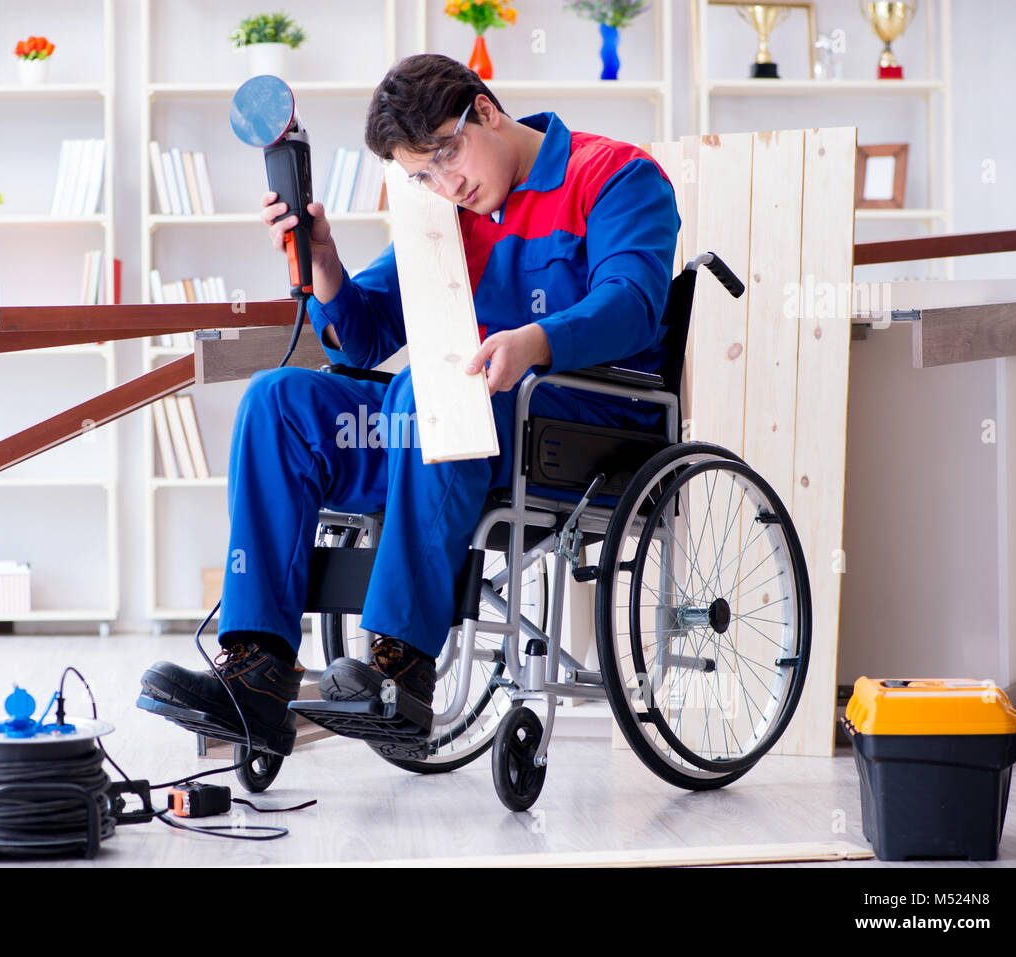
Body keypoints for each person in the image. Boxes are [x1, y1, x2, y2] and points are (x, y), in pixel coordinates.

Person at [141, 53, 680, 756]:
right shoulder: (449, 214)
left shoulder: (615, 176)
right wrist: (326, 260)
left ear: (485, 110)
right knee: (278, 399)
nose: (445, 182)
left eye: (447, 156)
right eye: (422, 174)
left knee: (426, 389)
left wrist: (537, 339)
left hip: (578, 425)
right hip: (439, 428)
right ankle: (259, 673)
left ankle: (401, 665)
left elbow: (633, 305)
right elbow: (360, 338)